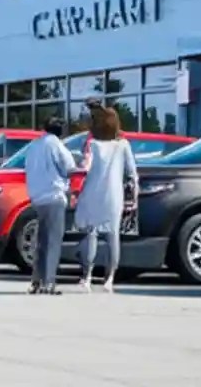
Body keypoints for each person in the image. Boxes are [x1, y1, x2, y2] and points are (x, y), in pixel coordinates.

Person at [73, 99, 137, 293]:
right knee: (113, 236)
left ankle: (87, 276)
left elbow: (86, 167)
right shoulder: (123, 145)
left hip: (93, 192)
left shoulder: (93, 146)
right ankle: (109, 279)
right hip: (114, 194)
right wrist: (133, 197)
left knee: (91, 233)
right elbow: (132, 173)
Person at [23, 117, 76, 295]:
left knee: (41, 241)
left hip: (37, 197)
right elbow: (69, 167)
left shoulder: (34, 145)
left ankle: (36, 281)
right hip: (54, 195)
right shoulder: (56, 145)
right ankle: (49, 282)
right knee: (53, 241)